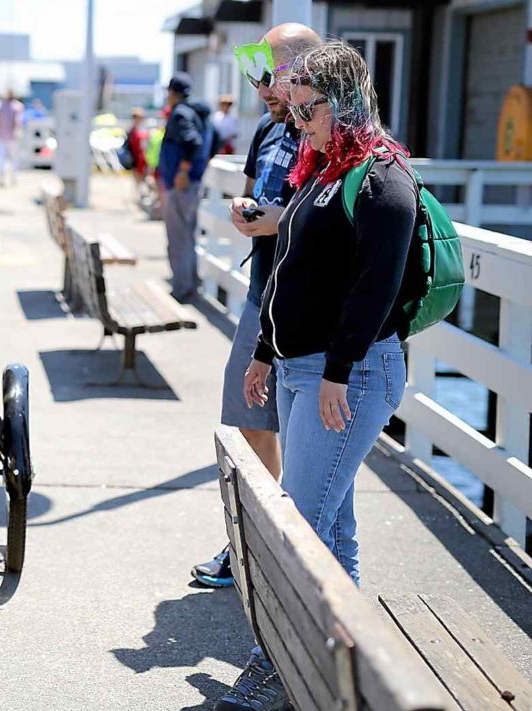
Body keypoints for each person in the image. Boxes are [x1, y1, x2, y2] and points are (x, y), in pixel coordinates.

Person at [220, 41, 418, 711]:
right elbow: (294, 269)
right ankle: (341, 677)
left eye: (309, 109)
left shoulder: (383, 177)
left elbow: (375, 288)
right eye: (295, 109)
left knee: (297, 529)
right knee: (330, 531)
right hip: (306, 370)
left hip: (352, 375)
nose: (298, 121)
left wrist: (334, 372)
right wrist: (268, 352)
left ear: (347, 101)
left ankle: (276, 666)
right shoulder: (322, 167)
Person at [193, 24, 320, 591]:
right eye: (256, 74)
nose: (262, 87)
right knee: (247, 419)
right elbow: (251, 190)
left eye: (270, 75)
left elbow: (327, 215)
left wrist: (278, 219)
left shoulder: (322, 130)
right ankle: (253, 537)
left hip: (308, 306)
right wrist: (248, 210)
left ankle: (281, 550)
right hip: (261, 292)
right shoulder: (269, 129)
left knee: (306, 440)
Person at [159, 73, 212, 303]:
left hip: (181, 184)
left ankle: (182, 288)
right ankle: (190, 285)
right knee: (187, 236)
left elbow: (193, 143)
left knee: (178, 237)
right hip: (191, 183)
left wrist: (182, 170)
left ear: (172, 93)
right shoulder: (195, 112)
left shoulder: (180, 113)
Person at [0, 90, 24, 186]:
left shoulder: (1, 106)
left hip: (1, 135)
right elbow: (18, 121)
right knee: (13, 158)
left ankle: (2, 179)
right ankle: (13, 178)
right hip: (12, 136)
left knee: (1, 158)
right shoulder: (18, 106)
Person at [126, 107, 149, 192]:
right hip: (135, 159)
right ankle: (138, 196)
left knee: (142, 179)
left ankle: (139, 195)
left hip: (142, 158)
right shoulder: (132, 131)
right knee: (138, 179)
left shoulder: (142, 129)